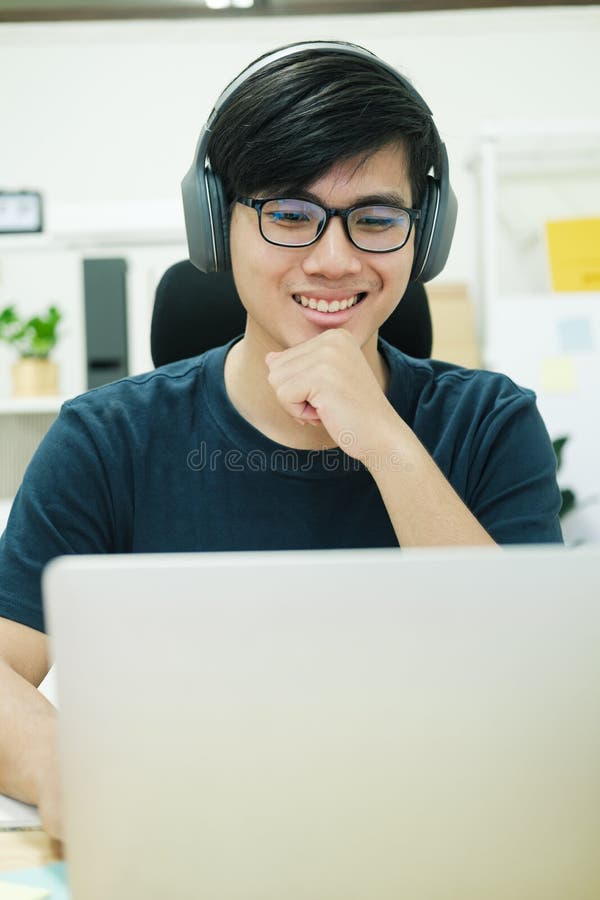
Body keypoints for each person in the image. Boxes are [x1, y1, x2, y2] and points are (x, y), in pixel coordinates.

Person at [0, 40, 562, 844]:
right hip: (184, 840)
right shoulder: (107, 441)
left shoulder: (489, 425)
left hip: (435, 839)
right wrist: (62, 764)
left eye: (376, 219)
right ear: (217, 225)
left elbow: (537, 689)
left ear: (424, 236)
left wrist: (382, 438)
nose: (334, 260)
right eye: (291, 214)